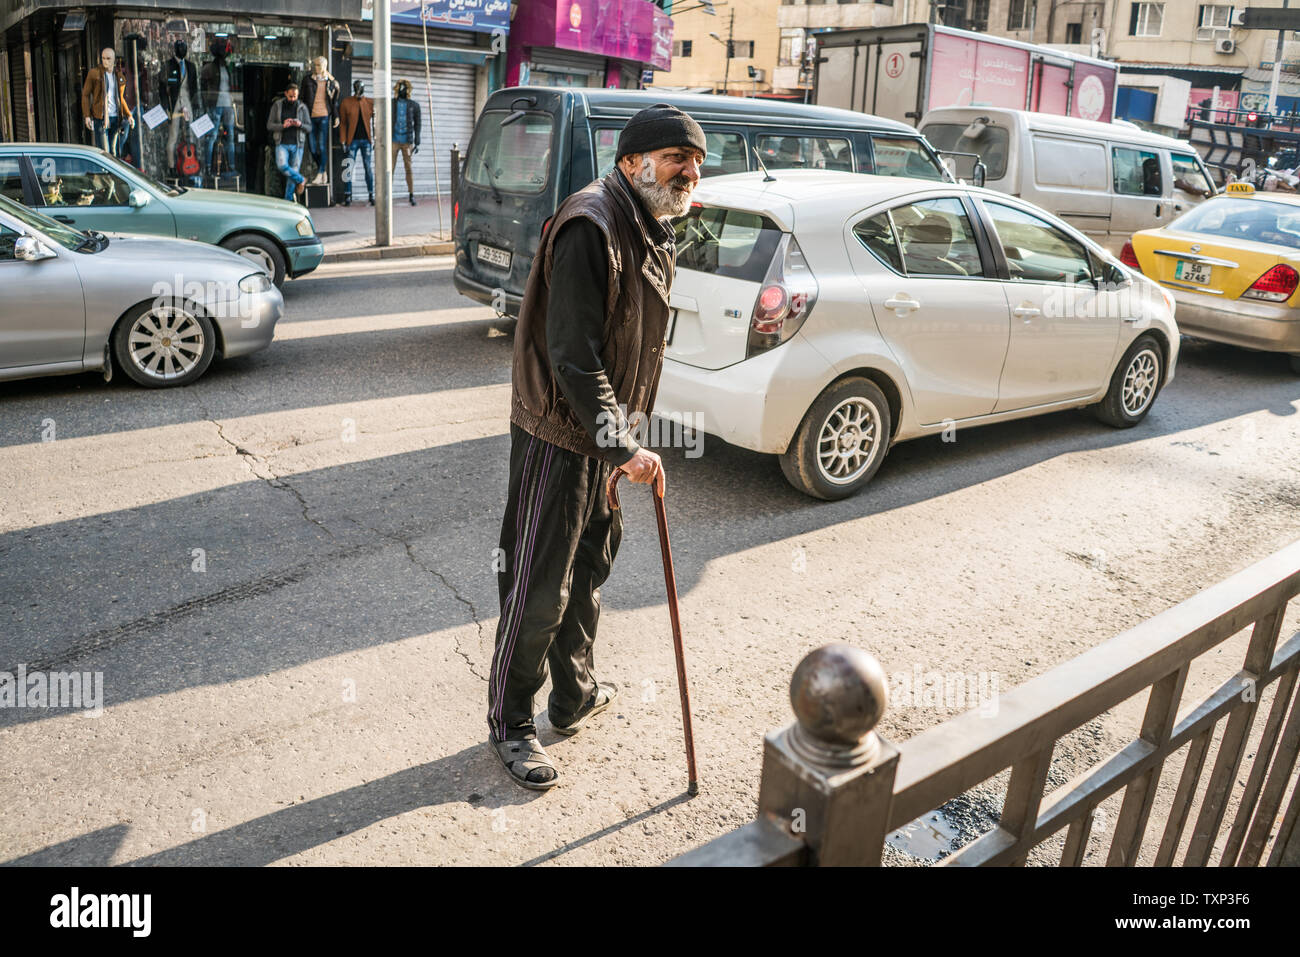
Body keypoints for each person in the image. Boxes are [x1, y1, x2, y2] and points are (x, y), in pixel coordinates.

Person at [486, 103, 706, 790]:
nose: (690, 172)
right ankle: (511, 723)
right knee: (538, 585)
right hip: (562, 432)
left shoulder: (645, 222)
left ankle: (572, 694)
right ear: (633, 161)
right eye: (677, 158)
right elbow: (573, 356)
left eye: (696, 162)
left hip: (605, 436)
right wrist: (623, 447)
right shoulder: (592, 224)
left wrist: (621, 442)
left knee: (589, 570)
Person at [82, 47, 134, 157]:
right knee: (104, 152)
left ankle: (112, 174)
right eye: (103, 58)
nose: (105, 61)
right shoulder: (94, 74)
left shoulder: (119, 76)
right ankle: (104, 174)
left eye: (108, 58)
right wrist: (87, 115)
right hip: (101, 117)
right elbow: (85, 95)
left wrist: (128, 115)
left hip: (115, 117)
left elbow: (121, 98)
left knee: (114, 152)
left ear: (114, 60)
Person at [267, 81, 311, 202]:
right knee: (282, 166)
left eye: (295, 96)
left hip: (298, 144)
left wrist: (300, 124)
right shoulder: (277, 105)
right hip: (282, 143)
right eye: (290, 96)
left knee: (291, 174)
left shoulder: (302, 107)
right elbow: (269, 125)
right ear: (286, 94)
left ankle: (288, 200)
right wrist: (282, 125)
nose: (293, 99)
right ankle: (301, 179)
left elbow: (309, 128)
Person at [301, 57, 340, 185]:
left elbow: (334, 101)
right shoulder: (307, 80)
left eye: (319, 65)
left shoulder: (330, 82)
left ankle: (319, 173)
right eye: (315, 65)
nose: (316, 67)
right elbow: (302, 98)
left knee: (322, 146)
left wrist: (336, 117)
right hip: (310, 116)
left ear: (325, 66)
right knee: (312, 147)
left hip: (324, 115)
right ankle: (323, 171)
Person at [339, 80, 375, 207]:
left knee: (368, 167)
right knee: (348, 166)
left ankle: (371, 194)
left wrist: (375, 138)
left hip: (366, 140)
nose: (359, 89)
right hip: (352, 140)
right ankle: (347, 194)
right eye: (357, 87)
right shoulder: (346, 103)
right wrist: (343, 140)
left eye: (361, 87)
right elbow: (342, 123)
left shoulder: (370, 102)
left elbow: (375, 122)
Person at [391, 79, 420, 206]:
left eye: (404, 88)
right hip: (393, 140)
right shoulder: (391, 103)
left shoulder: (414, 105)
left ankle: (411, 194)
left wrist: (417, 141)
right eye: (400, 88)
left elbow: (418, 124)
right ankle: (388, 194)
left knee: (408, 168)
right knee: (389, 168)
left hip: (407, 141)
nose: (402, 90)